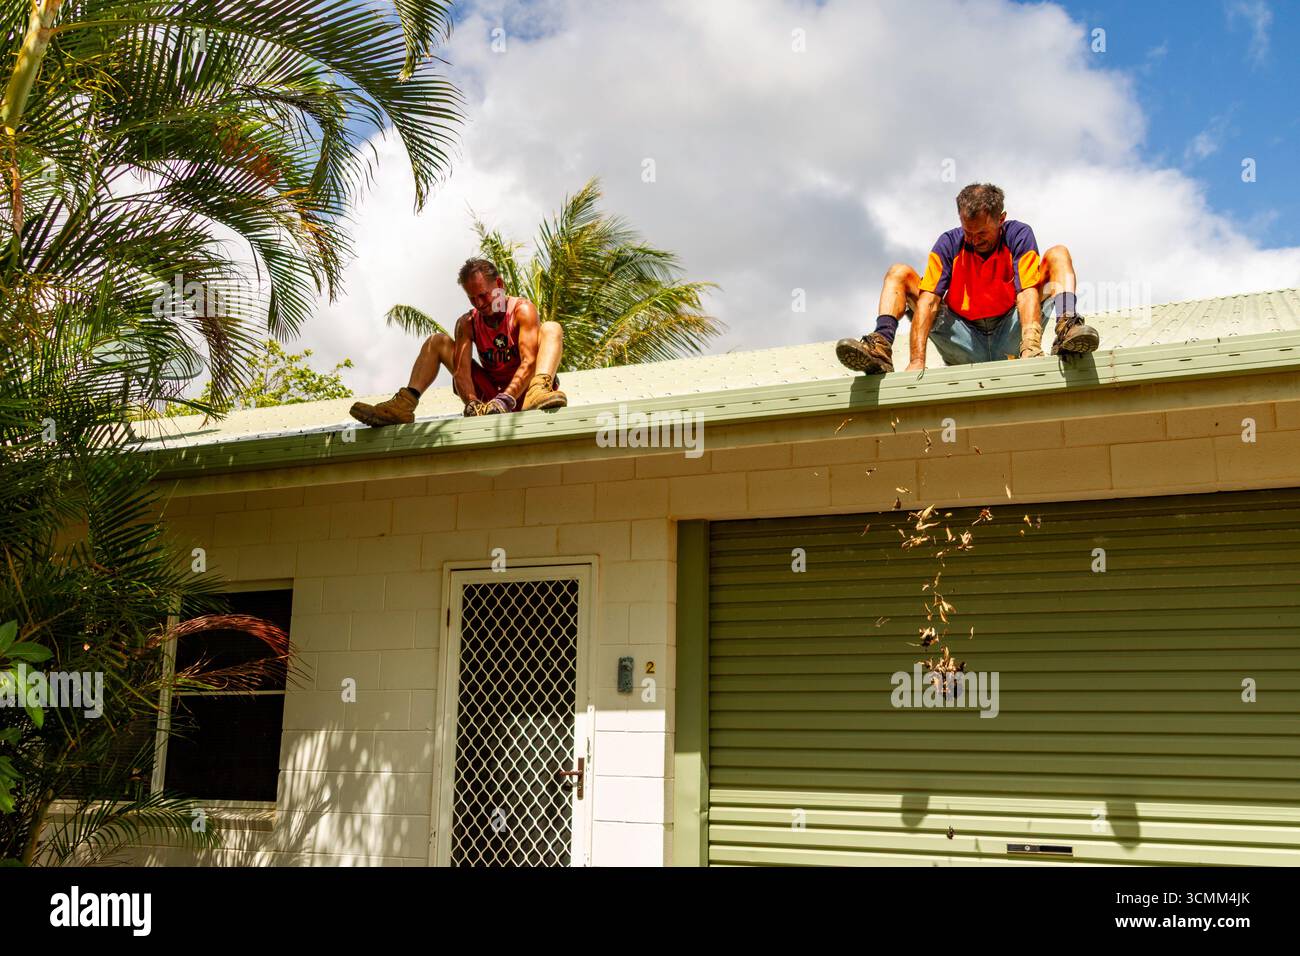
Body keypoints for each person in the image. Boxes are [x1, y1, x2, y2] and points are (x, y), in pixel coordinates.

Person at [836, 183, 1099, 374]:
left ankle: (1067, 330)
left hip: (1011, 333)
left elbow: (1027, 291)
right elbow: (928, 301)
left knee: (1058, 254)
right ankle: (881, 348)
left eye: (982, 232)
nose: (973, 239)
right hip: (963, 339)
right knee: (899, 273)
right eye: (968, 232)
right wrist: (917, 361)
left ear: (1001, 219)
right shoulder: (949, 242)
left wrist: (1030, 347)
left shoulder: (1018, 234)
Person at [349, 258, 567, 426]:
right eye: (473, 298)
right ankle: (403, 406)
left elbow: (529, 362)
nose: (480, 303)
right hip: (491, 400)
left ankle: (539, 390)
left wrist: (506, 399)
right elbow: (461, 372)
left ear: (499, 284)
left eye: (484, 295)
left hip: (524, 393)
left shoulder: (521, 310)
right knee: (438, 341)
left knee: (552, 328)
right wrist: (472, 403)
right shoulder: (468, 323)